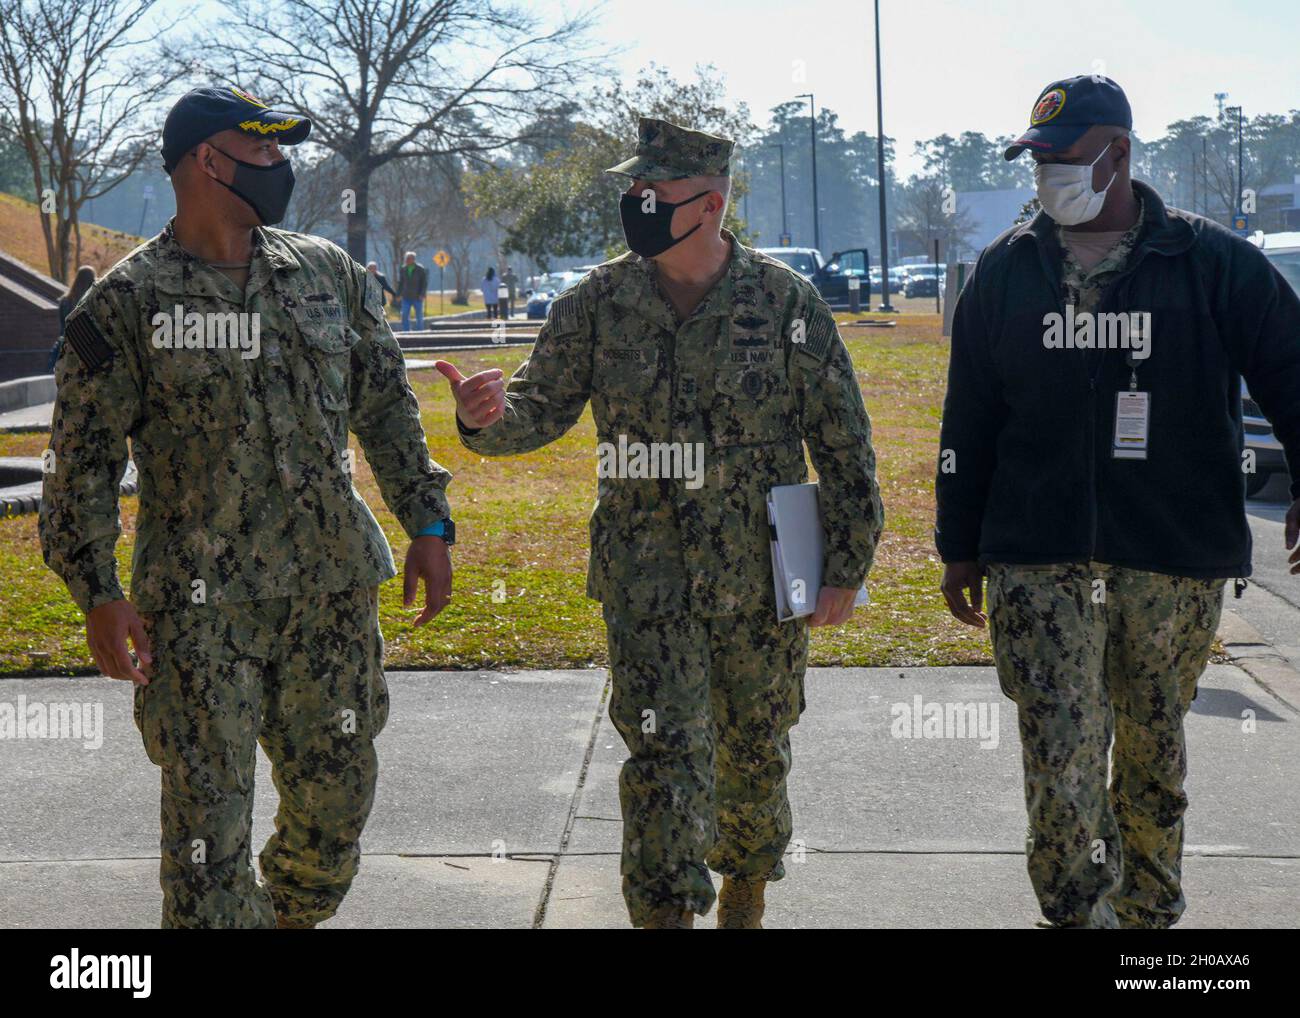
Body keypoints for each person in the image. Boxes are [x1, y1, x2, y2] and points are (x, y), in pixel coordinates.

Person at [435, 117, 884, 929]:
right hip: (647, 581)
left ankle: (744, 895)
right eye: (631, 190)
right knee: (662, 762)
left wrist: (846, 566)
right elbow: (537, 413)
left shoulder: (786, 303)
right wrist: (483, 419)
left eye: (655, 192)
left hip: (762, 577)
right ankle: (666, 916)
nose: (636, 203)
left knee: (754, 754)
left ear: (710, 204)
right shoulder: (596, 303)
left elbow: (845, 443)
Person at [38, 84, 457, 929]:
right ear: (208, 160)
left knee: (336, 799)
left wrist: (428, 522)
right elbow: (80, 469)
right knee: (205, 835)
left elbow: (386, 409)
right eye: (263, 151)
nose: (281, 167)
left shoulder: (329, 274)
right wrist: (99, 592)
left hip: (328, 592)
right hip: (197, 613)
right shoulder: (125, 306)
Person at [936, 75, 1300, 929]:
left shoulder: (1209, 262)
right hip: (1039, 554)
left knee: (1151, 750)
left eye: (1062, 159)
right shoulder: (1007, 270)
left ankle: (1146, 921)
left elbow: (1290, 369)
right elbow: (970, 416)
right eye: (1037, 162)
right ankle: (1072, 914)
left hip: (1169, 556)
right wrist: (960, 540)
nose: (1046, 177)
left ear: (1119, 154)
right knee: (1060, 751)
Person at [49, 265, 97, 373]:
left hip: (66, 347)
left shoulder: (65, 301)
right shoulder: (93, 301)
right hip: (88, 350)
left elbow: (62, 326)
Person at [398, 251, 427, 331]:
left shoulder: (420, 269)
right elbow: (401, 283)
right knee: (404, 315)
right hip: (406, 297)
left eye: (408, 259)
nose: (406, 260)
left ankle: (420, 332)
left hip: (417, 297)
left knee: (419, 316)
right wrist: (398, 294)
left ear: (413, 259)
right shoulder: (403, 269)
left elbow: (424, 283)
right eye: (406, 258)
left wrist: (422, 294)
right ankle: (406, 332)